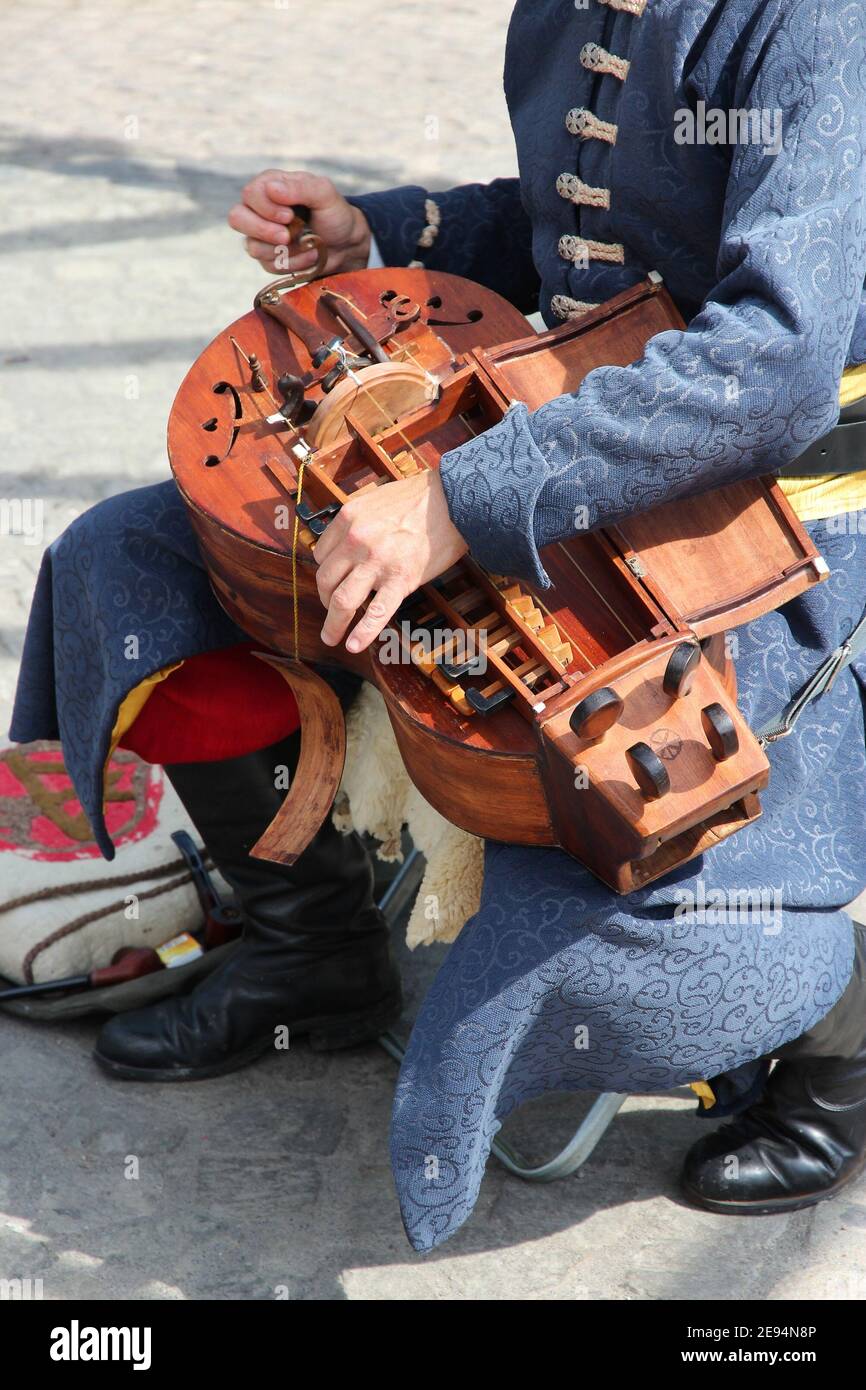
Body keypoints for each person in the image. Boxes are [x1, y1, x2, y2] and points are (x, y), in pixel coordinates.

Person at [11, 0, 866, 1250]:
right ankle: (316, 949)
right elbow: (570, 244)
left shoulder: (809, 23)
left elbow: (775, 361)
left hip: (751, 518)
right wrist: (386, 229)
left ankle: (836, 1048)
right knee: (131, 565)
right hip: (541, 444)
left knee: (679, 938)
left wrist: (463, 501)